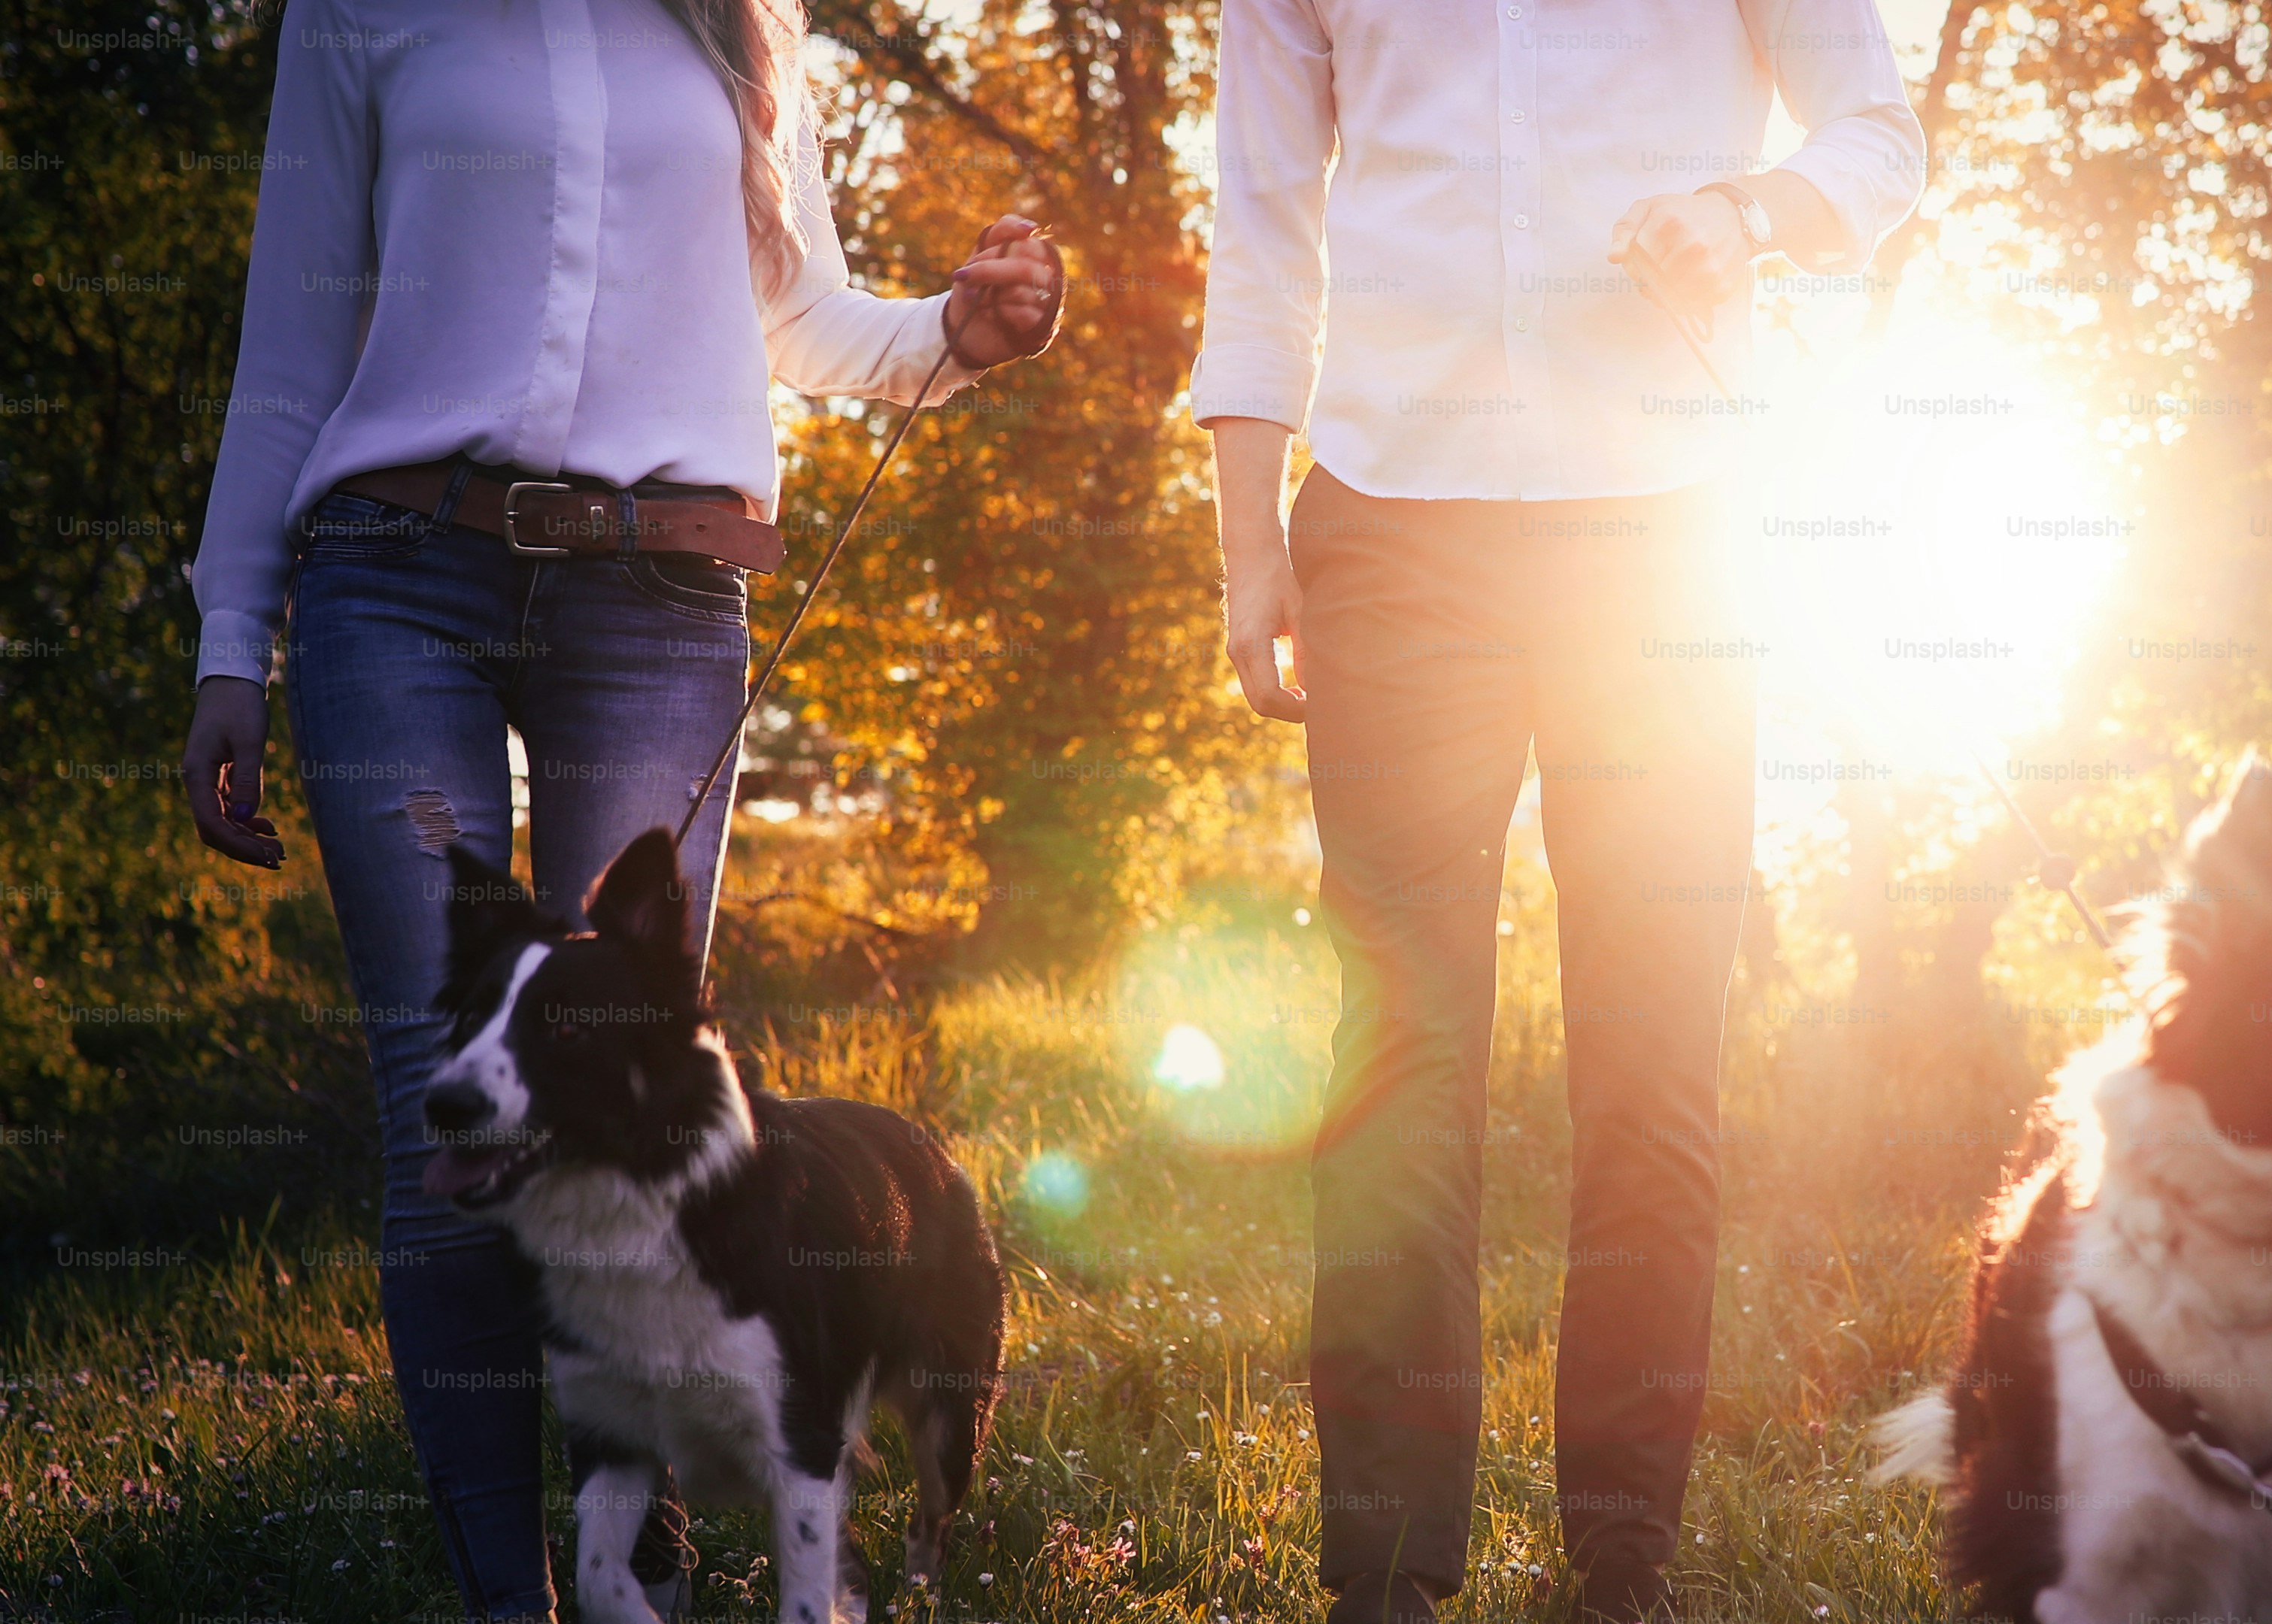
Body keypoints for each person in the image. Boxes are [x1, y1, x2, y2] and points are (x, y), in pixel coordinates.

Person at [175, 2, 1060, 1617]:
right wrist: (233, 636)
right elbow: (289, 350)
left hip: (660, 595)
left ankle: (625, 1571)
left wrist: (957, 327)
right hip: (395, 578)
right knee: (439, 1098)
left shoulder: (742, 24)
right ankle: (516, 1599)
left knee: (623, 1080)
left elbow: (795, 318)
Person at [1194, 4, 1923, 1619]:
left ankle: (1620, 1562)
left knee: (1653, 1053)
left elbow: (1880, 142)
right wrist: (1250, 540)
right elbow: (1259, 219)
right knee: (1397, 1055)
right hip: (1390, 527)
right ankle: (1380, 1572)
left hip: (1666, 525)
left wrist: (1745, 215)